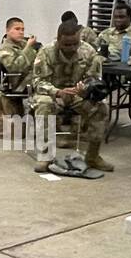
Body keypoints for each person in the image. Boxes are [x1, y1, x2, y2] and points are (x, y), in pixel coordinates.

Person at [31, 19, 113, 173]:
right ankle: (45, 156)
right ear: (58, 40)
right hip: (53, 93)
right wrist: (57, 92)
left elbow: (94, 79)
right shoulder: (46, 52)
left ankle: (93, 156)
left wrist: (86, 89)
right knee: (43, 104)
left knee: (101, 107)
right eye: (67, 45)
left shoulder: (89, 52)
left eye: (75, 43)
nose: (72, 48)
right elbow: (38, 81)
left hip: (77, 95)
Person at [0, 17, 38, 117]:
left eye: (23, 29)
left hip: (32, 77)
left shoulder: (23, 44)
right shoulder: (4, 49)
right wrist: (28, 47)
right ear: (8, 31)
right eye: (17, 29)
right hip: (19, 83)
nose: (21, 32)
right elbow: (15, 67)